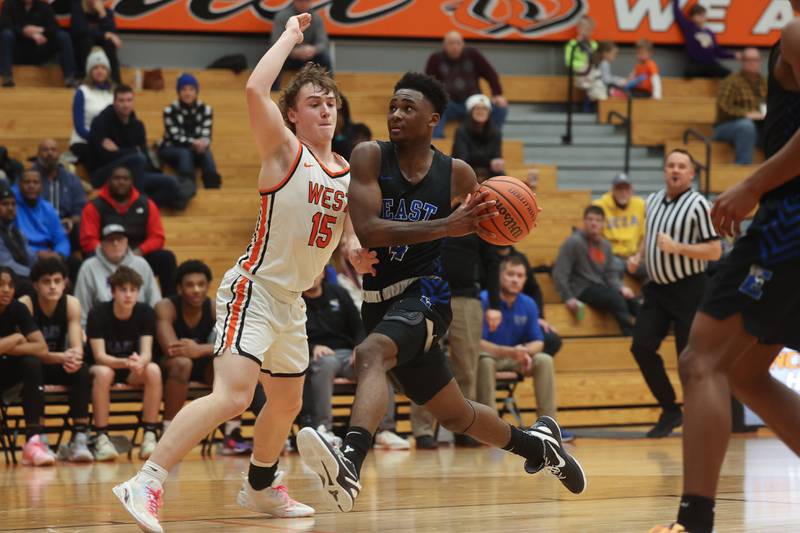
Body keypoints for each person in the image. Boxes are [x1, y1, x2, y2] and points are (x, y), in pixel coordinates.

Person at [295, 71, 587, 515]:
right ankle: (539, 446)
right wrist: (446, 226)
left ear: (433, 119)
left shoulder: (457, 172)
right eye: (393, 106)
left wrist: (523, 209)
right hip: (378, 302)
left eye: (407, 107)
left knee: (370, 354)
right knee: (456, 414)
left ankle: (350, 461)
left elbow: (494, 211)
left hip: (425, 294)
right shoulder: (370, 155)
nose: (396, 114)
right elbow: (370, 229)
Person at [114, 14, 358, 532]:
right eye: (314, 103)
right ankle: (146, 481)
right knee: (235, 395)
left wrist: (357, 251)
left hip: (293, 302)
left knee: (287, 403)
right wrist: (289, 36)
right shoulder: (284, 150)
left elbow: (350, 235)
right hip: (254, 288)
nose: (325, 110)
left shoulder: (346, 172)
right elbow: (253, 89)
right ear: (292, 114)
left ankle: (261, 487)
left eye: (330, 103)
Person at [650, 7, 800, 531]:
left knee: (703, 360)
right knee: (744, 372)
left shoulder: (796, 31)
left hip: (789, 226)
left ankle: (694, 523)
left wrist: (753, 185)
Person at [627, 149, 721, 439]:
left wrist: (678, 247)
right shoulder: (652, 200)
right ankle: (670, 409)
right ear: (665, 170)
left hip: (689, 289)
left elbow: (715, 250)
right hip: (657, 289)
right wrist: (639, 255)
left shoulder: (699, 205)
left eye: (682, 166)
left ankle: (698, 417)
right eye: (671, 165)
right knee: (641, 347)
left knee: (688, 359)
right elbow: (650, 234)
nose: (675, 170)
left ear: (691, 174)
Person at [154, 259, 261, 455]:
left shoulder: (214, 307)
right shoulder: (166, 306)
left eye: (201, 284)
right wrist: (203, 350)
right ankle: (167, 432)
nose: (196, 290)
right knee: (182, 363)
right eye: (190, 285)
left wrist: (200, 349)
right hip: (170, 369)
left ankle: (232, 435)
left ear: (208, 286)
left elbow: (232, 345)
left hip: (205, 366)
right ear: (179, 288)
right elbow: (171, 348)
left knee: (231, 364)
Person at [301, 270, 408, 450]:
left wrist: (359, 348)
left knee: (376, 367)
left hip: (347, 354)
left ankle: (385, 431)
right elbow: (289, 335)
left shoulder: (338, 293)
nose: (313, 275)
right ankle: (323, 429)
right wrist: (313, 348)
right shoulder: (295, 298)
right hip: (316, 357)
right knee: (326, 364)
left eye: (317, 270)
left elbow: (358, 326)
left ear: (323, 273)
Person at [477, 255, 571, 441]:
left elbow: (538, 342)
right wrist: (511, 352)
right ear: (499, 276)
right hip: (490, 357)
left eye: (520, 276)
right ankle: (490, 426)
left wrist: (525, 352)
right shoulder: (483, 300)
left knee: (544, 359)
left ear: (525, 280)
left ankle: (548, 425)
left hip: (516, 359)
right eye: (510, 274)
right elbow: (477, 343)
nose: (515, 279)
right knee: (484, 361)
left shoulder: (528, 303)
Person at [18, 257, 93, 462]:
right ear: (36, 285)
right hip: (31, 366)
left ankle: (79, 438)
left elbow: (77, 346)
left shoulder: (71, 303)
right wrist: (61, 356)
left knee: (81, 369)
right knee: (31, 364)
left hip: (56, 362)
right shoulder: (26, 304)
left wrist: (74, 357)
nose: (53, 286)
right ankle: (37, 438)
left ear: (65, 283)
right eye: (46, 281)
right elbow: (28, 349)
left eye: (57, 281)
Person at [86, 265, 162, 462]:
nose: (128, 294)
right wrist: (127, 362)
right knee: (105, 373)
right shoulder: (98, 313)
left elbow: (147, 353)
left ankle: (149, 436)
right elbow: (99, 357)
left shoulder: (145, 312)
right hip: (104, 367)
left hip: (131, 369)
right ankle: (101, 437)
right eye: (123, 289)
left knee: (153, 370)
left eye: (133, 290)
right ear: (113, 292)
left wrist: (139, 362)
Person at [80, 166, 177, 297]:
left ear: (132, 182)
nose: (121, 182)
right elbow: (88, 240)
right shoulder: (94, 206)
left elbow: (157, 237)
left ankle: (170, 303)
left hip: (138, 254)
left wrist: (139, 251)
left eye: (125, 179)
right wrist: (109, 253)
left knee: (166, 258)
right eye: (117, 178)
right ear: (108, 181)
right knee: (88, 258)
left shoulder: (147, 204)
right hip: (105, 256)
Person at [88, 85, 189, 209]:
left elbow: (144, 156)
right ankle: (138, 205)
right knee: (138, 159)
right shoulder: (100, 122)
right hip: (105, 174)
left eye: (129, 100)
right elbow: (105, 156)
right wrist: (134, 151)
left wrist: (119, 151)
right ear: (114, 102)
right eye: (121, 101)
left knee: (171, 182)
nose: (126, 105)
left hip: (135, 175)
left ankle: (142, 206)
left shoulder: (138, 125)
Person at [552, 205, 639, 336]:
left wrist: (621, 287)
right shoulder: (573, 242)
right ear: (584, 221)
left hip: (600, 287)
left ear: (603, 224)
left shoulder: (606, 245)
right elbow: (560, 273)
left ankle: (647, 332)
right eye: (590, 219)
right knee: (616, 299)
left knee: (631, 300)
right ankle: (630, 334)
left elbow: (611, 274)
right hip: (581, 289)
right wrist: (568, 297)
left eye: (598, 220)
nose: (594, 223)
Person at [0, 265, 52, 465]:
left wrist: (6, 347)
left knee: (32, 363)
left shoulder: (18, 308)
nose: (6, 289)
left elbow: (42, 348)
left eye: (10, 285)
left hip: (9, 376)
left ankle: (33, 440)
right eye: (1, 284)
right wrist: (16, 337)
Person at [74, 223, 161, 327]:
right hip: (101, 329)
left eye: (120, 239)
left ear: (126, 242)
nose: (115, 243)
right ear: (102, 244)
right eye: (110, 239)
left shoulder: (142, 265)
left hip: (138, 328)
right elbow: (81, 310)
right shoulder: (88, 267)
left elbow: (155, 302)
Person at [425, 31, 508, 138]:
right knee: (435, 108)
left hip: (473, 103)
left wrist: (497, 94)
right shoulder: (436, 58)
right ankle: (436, 141)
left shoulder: (473, 55)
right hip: (449, 104)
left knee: (500, 109)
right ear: (444, 46)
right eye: (451, 43)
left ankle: (491, 138)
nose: (455, 46)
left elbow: (491, 74)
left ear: (463, 44)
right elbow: (427, 83)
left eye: (458, 43)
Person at [158, 73, 221, 190]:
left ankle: (214, 191)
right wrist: (194, 142)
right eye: (184, 89)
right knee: (185, 153)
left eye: (191, 89)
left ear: (196, 91)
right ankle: (187, 189)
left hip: (195, 149)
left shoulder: (206, 109)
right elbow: (175, 137)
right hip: (171, 148)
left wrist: (203, 143)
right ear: (178, 92)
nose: (187, 93)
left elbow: (207, 134)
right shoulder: (169, 110)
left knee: (207, 153)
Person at [0, 0, 77, 88]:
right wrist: (24, 31)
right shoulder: (9, 4)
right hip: (17, 51)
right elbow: (5, 25)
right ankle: (7, 77)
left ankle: (69, 77)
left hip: (39, 49)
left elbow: (54, 28)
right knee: (6, 34)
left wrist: (40, 30)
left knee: (63, 36)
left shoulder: (44, 6)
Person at [713, 48, 767, 165]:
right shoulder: (731, 81)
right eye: (748, 60)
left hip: (758, 125)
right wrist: (746, 114)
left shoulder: (764, 82)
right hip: (726, 126)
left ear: (760, 62)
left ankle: (773, 167)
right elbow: (723, 106)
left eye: (755, 60)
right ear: (742, 61)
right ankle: (743, 166)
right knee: (746, 126)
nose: (752, 63)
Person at [32, 138, 87, 248]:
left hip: (65, 227)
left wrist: (71, 220)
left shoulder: (71, 179)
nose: (50, 153)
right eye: (45, 150)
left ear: (59, 154)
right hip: (36, 225)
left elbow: (80, 208)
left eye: (53, 150)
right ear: (38, 154)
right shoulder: (29, 179)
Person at [269, 0, 333, 90]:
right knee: (274, 59)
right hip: (288, 56)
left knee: (325, 58)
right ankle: (272, 91)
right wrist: (293, 51)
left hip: (309, 56)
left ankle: (328, 90)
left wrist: (313, 49)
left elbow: (323, 42)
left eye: (307, 1)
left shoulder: (316, 18)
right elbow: (275, 42)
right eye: (300, 1)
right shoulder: (282, 16)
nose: (304, 4)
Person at [592, 173, 646, 279]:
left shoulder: (640, 205)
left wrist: (638, 256)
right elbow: (594, 236)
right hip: (611, 255)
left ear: (632, 190)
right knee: (615, 268)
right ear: (612, 190)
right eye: (619, 189)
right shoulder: (599, 205)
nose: (623, 193)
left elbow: (644, 236)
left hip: (633, 256)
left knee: (654, 270)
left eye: (626, 189)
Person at [12, 168, 71, 262]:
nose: (31, 186)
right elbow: (11, 241)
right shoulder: (12, 206)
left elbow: (61, 239)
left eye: (35, 182)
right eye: (27, 182)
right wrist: (36, 254)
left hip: (48, 255)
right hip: (23, 255)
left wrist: (59, 254)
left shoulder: (48, 208)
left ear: (41, 186)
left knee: (74, 263)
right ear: (19, 185)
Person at [69, 47, 114, 168]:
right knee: (100, 154)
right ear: (89, 71)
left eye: (103, 67)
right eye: (95, 68)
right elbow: (79, 127)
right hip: (83, 141)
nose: (100, 71)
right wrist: (100, 140)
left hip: (107, 141)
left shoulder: (113, 93)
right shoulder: (82, 92)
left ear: (108, 71)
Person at [672, 0, 739, 79]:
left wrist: (733, 55)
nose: (702, 17)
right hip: (696, 64)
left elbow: (718, 52)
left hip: (710, 64)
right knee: (689, 72)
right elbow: (677, 13)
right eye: (698, 15)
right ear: (692, 17)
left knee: (730, 75)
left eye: (703, 15)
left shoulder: (710, 33)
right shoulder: (689, 28)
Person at [451, 93, 504, 180]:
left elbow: (496, 157)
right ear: (470, 112)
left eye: (484, 109)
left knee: (503, 178)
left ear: (489, 112)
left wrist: (497, 163)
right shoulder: (461, 131)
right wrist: (489, 162)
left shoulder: (496, 132)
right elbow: (462, 159)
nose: (481, 111)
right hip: (466, 170)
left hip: (488, 170)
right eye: (477, 108)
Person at [70, 0, 121, 83]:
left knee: (110, 43)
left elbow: (112, 33)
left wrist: (102, 14)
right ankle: (83, 78)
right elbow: (81, 30)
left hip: (101, 43)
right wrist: (103, 34)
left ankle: (114, 82)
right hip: (82, 44)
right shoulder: (79, 10)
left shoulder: (107, 12)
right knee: (86, 41)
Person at [0, 184, 36, 279]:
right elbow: (6, 264)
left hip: (23, 277)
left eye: (13, 204)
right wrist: (34, 275)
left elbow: (31, 258)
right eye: (5, 204)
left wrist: (42, 271)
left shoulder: (17, 232)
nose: (10, 208)